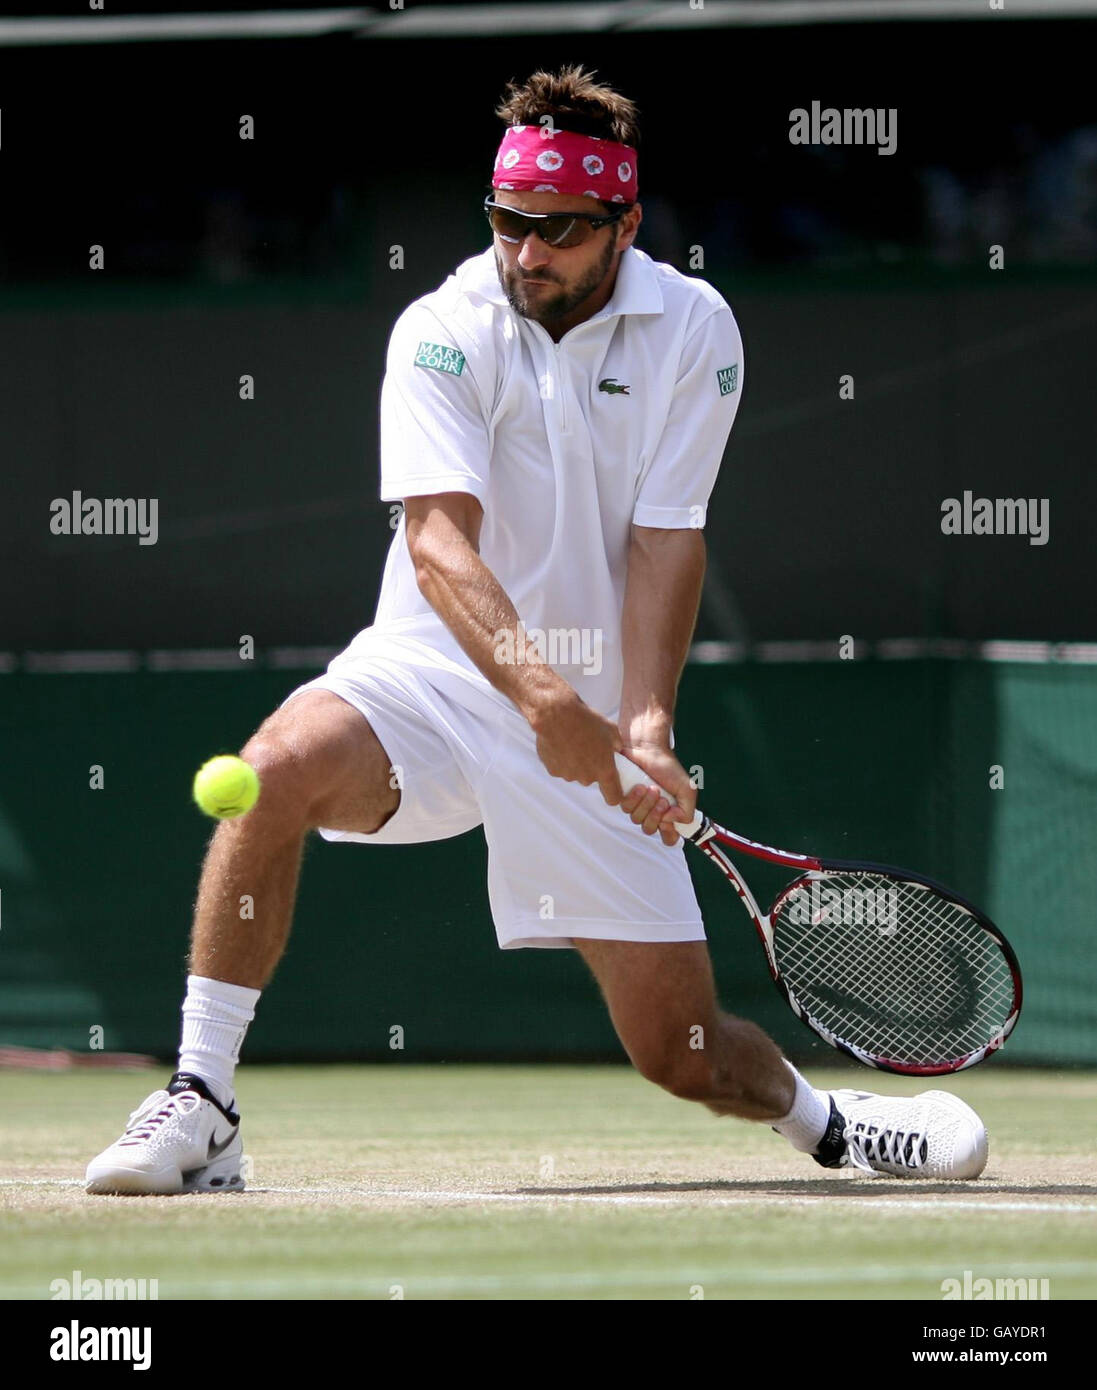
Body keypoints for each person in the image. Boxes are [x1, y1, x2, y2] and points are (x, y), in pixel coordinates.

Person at [86, 65, 986, 1195]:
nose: (527, 253)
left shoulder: (695, 330)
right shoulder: (441, 330)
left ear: (624, 224)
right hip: (434, 676)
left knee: (685, 1055)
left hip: (595, 713)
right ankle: (202, 1100)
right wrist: (541, 698)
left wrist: (645, 722)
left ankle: (828, 1122)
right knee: (271, 770)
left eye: (558, 230)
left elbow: (666, 540)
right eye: (509, 223)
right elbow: (436, 546)